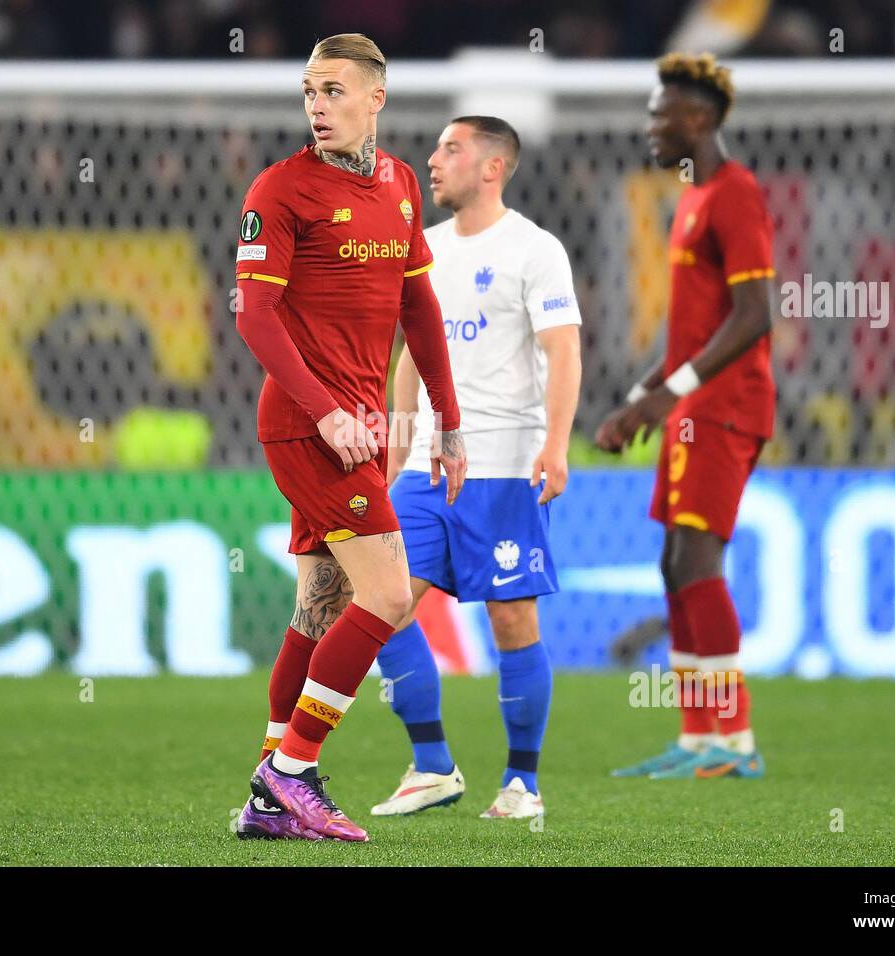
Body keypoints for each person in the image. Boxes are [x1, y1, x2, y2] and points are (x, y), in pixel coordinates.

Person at [232, 33, 467, 842]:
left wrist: (448, 416)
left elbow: (419, 309)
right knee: (391, 595)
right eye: (308, 92)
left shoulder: (400, 184)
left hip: (361, 427)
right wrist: (325, 409)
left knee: (318, 608)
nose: (318, 105)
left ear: (376, 98)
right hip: (307, 426)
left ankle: (269, 786)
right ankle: (290, 774)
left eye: (333, 90)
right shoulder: (281, 189)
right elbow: (254, 314)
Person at [372, 116, 582, 819]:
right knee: (380, 602)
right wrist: (397, 450)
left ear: (492, 167)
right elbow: (410, 357)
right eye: (435, 148)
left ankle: (522, 784)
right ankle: (432, 764)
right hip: (426, 470)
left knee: (512, 622)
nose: (432, 160)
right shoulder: (422, 248)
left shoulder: (535, 250)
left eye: (450, 149)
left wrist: (555, 444)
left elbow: (563, 350)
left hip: (503, 465)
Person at [597, 52, 775, 780]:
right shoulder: (692, 198)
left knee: (698, 561)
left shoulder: (735, 195)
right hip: (691, 405)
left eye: (661, 113)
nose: (651, 126)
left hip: (727, 406)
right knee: (676, 563)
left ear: (699, 118)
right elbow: (696, 330)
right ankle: (701, 737)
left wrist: (673, 393)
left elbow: (756, 315)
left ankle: (733, 741)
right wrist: (644, 395)